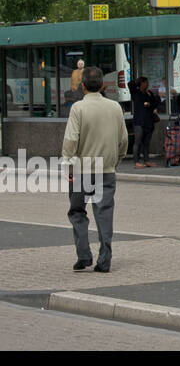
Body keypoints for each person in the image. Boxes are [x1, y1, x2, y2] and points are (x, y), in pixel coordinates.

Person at [60, 66, 128, 273]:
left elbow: (71, 140)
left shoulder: (78, 108)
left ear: (82, 86)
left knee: (77, 211)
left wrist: (69, 168)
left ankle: (83, 255)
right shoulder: (115, 107)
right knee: (104, 213)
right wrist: (115, 162)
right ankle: (105, 259)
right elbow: (123, 140)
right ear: (103, 85)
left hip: (81, 170)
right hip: (106, 170)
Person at [129, 76, 162, 169]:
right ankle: (136, 161)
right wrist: (137, 82)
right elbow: (130, 84)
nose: (147, 84)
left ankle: (146, 160)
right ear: (141, 83)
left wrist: (150, 104)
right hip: (139, 121)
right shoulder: (135, 92)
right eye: (145, 82)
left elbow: (155, 103)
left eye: (147, 82)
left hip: (149, 121)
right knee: (138, 141)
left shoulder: (149, 93)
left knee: (146, 142)